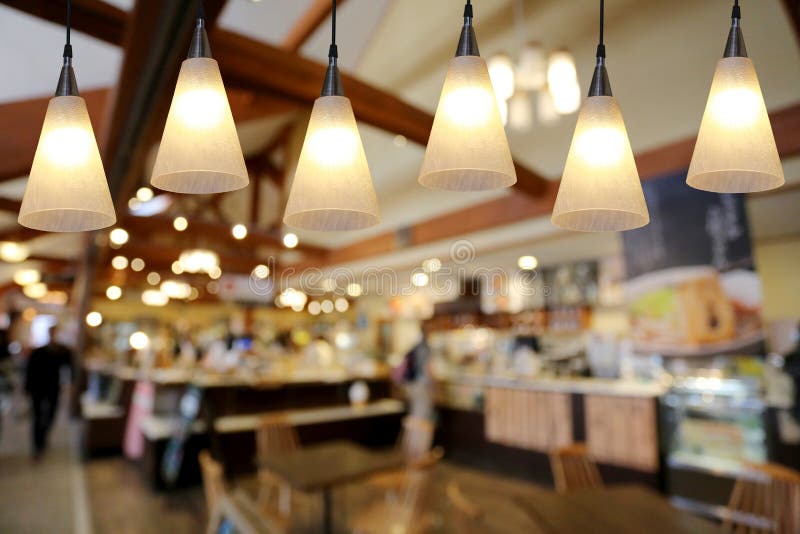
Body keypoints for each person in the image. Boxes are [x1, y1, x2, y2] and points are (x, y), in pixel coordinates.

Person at [24, 325, 72, 459]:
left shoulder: (62, 351)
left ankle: (43, 436)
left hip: (53, 388)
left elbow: (70, 368)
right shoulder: (39, 351)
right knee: (37, 416)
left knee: (51, 414)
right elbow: (30, 371)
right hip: (37, 388)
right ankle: (37, 443)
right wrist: (27, 388)